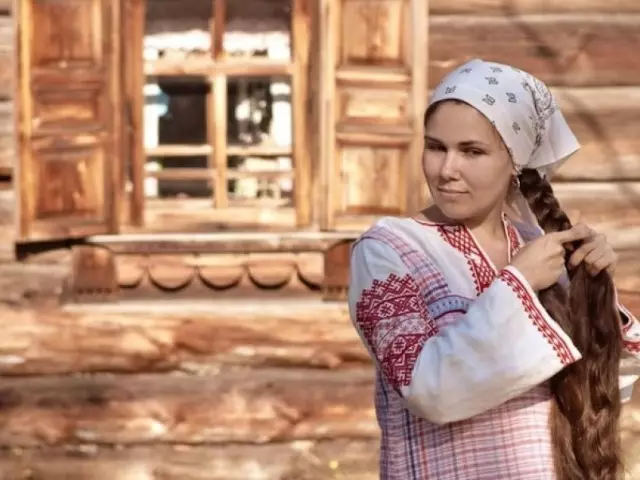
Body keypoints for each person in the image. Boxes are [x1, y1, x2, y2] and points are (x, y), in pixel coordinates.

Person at [348, 58, 640, 479]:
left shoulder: (540, 249)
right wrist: (517, 285)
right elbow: (428, 388)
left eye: (472, 151)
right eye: (435, 147)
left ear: (515, 161)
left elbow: (605, 384)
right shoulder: (388, 250)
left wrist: (595, 291)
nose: (447, 170)